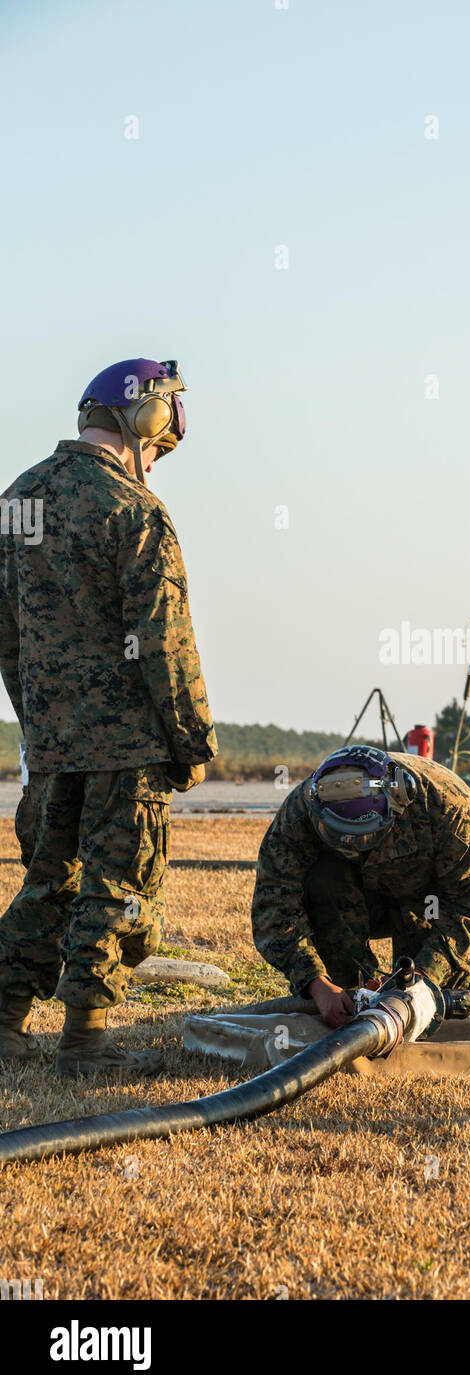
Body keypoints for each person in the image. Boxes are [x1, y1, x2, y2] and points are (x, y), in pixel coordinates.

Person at [0, 358, 217, 1075]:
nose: (157, 457)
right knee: (118, 890)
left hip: (53, 742)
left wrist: (38, 723)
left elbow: (7, 638)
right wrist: (191, 739)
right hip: (127, 744)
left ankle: (3, 1019)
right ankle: (85, 1045)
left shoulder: (18, 500)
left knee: (48, 882)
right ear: (145, 419)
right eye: (161, 440)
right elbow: (164, 640)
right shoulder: (136, 511)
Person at [251, 744, 470, 1028]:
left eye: (363, 839)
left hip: (426, 899)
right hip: (352, 896)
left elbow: (469, 907)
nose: (354, 849)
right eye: (340, 838)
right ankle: (351, 994)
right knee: (323, 882)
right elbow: (275, 906)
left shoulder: (448, 807)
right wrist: (317, 984)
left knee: (431, 1011)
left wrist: (425, 979)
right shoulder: (300, 811)